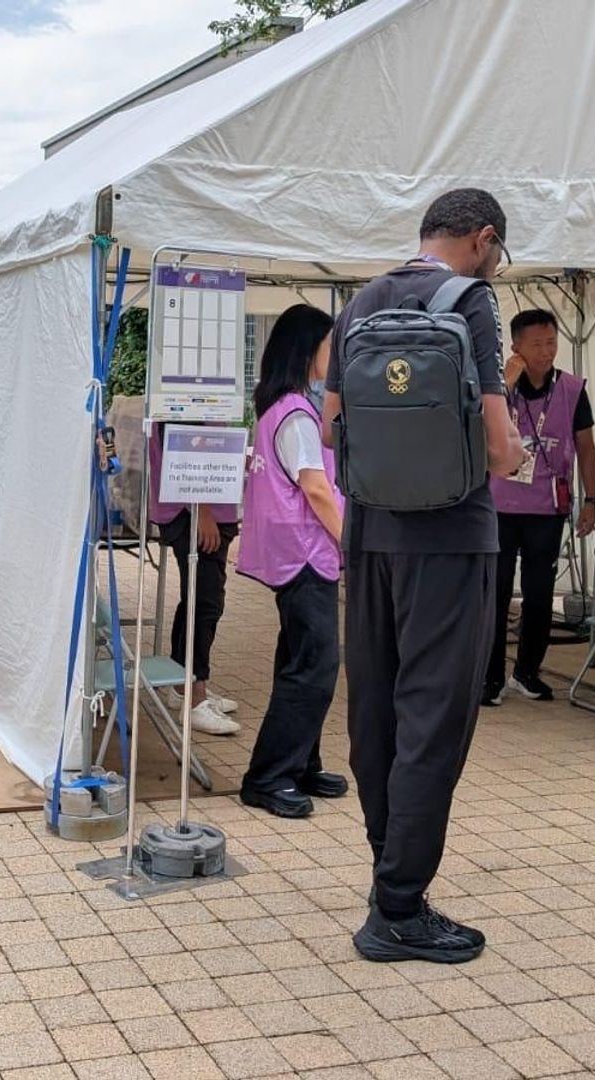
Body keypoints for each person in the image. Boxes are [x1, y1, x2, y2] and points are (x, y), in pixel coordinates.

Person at [319, 188, 524, 964]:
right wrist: (508, 459)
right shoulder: (471, 302)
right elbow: (500, 449)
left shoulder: (361, 300)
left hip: (371, 531)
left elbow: (335, 429)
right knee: (434, 716)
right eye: (497, 252)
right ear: (482, 238)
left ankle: (389, 875)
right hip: (452, 536)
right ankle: (398, 909)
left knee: (376, 711)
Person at [236, 304, 347, 819]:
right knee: (315, 666)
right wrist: (352, 542)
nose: (335, 355)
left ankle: (301, 763)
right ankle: (268, 777)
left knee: (299, 660)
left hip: (293, 553)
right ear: (308, 351)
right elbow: (317, 490)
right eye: (329, 346)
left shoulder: (279, 405)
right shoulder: (298, 415)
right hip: (307, 553)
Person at [485, 309, 595, 705]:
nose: (546, 351)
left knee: (538, 594)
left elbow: (586, 446)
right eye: (536, 344)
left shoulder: (571, 389)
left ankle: (527, 672)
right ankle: (490, 678)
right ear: (515, 346)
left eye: (551, 342)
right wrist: (506, 381)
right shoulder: (497, 386)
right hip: (499, 505)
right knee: (495, 593)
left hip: (547, 507)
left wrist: (592, 500)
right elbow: (477, 426)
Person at [148, 423, 241, 735]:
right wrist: (200, 509)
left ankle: (183, 684)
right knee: (205, 603)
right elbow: (182, 449)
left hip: (205, 508)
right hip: (195, 511)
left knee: (197, 601)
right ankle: (194, 696)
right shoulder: (188, 392)